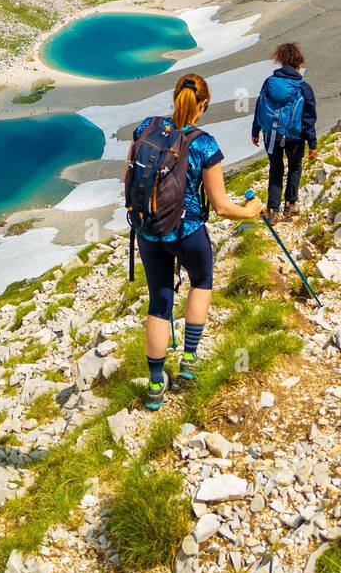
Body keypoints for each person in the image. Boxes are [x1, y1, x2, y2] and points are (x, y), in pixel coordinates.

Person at [125, 73, 264, 411]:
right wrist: (251, 211)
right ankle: (189, 360)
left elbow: (134, 171)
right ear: (203, 105)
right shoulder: (204, 144)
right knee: (201, 282)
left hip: (148, 230)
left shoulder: (147, 125)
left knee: (159, 302)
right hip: (187, 232)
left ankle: (156, 384)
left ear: (175, 98)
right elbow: (220, 206)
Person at [251, 41, 317, 223]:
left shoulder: (269, 82)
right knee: (294, 166)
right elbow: (309, 118)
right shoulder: (303, 87)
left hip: (270, 134)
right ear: (298, 63)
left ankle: (273, 211)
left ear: (281, 61)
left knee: (276, 168)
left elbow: (259, 106)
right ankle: (290, 207)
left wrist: (256, 130)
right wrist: (312, 144)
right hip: (294, 136)